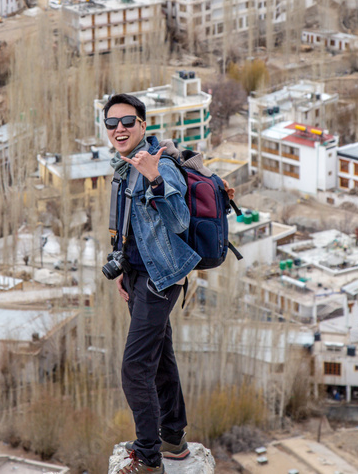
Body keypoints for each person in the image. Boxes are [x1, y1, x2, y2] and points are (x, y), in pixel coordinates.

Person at [104, 93, 199, 474]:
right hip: (140, 275)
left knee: (134, 367)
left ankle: (148, 456)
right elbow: (131, 225)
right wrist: (123, 268)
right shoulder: (125, 164)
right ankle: (173, 438)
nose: (120, 129)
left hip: (162, 278)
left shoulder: (158, 163)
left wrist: (155, 177)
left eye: (128, 121)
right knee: (160, 357)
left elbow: (180, 221)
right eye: (112, 123)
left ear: (143, 124)